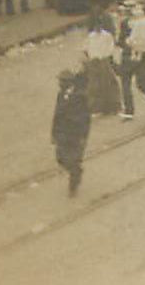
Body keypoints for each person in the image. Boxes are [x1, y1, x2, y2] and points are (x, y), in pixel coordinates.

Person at [51, 68, 92, 196]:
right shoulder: (60, 95)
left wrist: (84, 136)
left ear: (69, 82)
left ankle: (73, 185)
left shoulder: (80, 96)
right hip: (62, 133)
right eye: (60, 81)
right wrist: (53, 133)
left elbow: (86, 118)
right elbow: (56, 115)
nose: (60, 84)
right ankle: (76, 172)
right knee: (60, 158)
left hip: (75, 134)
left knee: (73, 160)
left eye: (62, 81)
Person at [117, 3, 145, 120]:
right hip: (139, 57)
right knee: (138, 85)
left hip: (132, 57)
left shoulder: (128, 24)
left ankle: (130, 111)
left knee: (130, 85)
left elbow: (121, 41)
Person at [83, 19, 123, 116]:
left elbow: (110, 48)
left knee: (109, 83)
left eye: (99, 25)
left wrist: (105, 57)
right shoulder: (90, 36)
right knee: (95, 85)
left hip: (104, 60)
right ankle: (97, 108)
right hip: (94, 61)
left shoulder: (107, 36)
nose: (97, 28)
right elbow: (85, 48)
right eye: (96, 26)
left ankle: (114, 107)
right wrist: (91, 58)